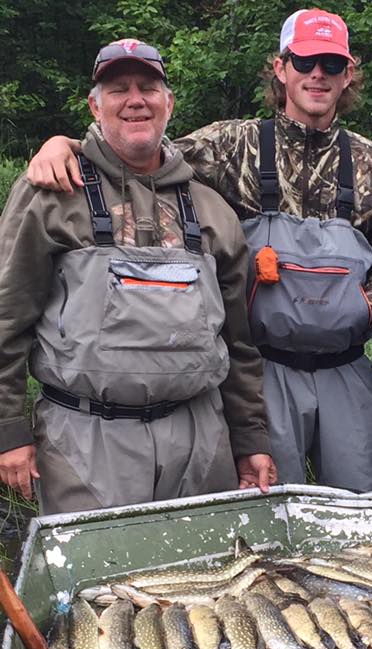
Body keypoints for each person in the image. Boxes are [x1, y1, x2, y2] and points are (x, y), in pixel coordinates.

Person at [25, 9, 372, 493]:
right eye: (305, 60)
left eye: (331, 64)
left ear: (347, 74)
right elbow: (139, 151)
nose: (317, 74)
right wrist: (65, 145)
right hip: (264, 367)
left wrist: (368, 308)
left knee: (363, 509)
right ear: (281, 67)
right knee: (266, 506)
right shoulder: (233, 144)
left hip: (345, 365)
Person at [0, 39, 275, 514]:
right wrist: (8, 431)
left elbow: (239, 342)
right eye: (118, 89)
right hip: (85, 439)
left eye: (148, 87)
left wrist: (250, 439)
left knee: (203, 580)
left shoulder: (212, 209)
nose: (135, 99)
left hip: (200, 437)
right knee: (92, 584)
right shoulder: (52, 193)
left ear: (168, 103)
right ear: (94, 104)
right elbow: (7, 317)